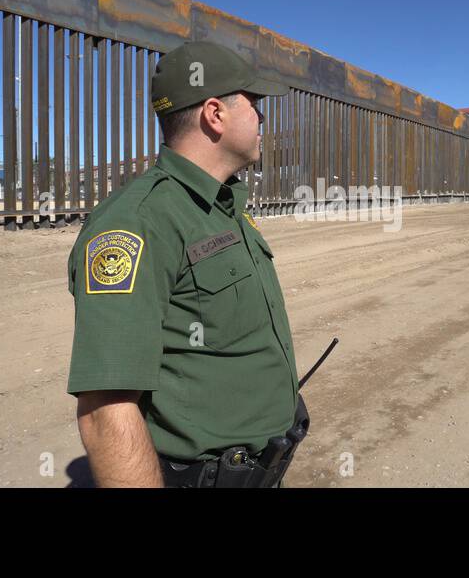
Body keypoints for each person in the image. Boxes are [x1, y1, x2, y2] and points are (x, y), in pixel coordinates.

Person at [66, 40, 302, 487]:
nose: (263, 117)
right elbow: (105, 411)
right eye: (254, 104)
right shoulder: (137, 223)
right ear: (215, 114)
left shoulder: (221, 206)